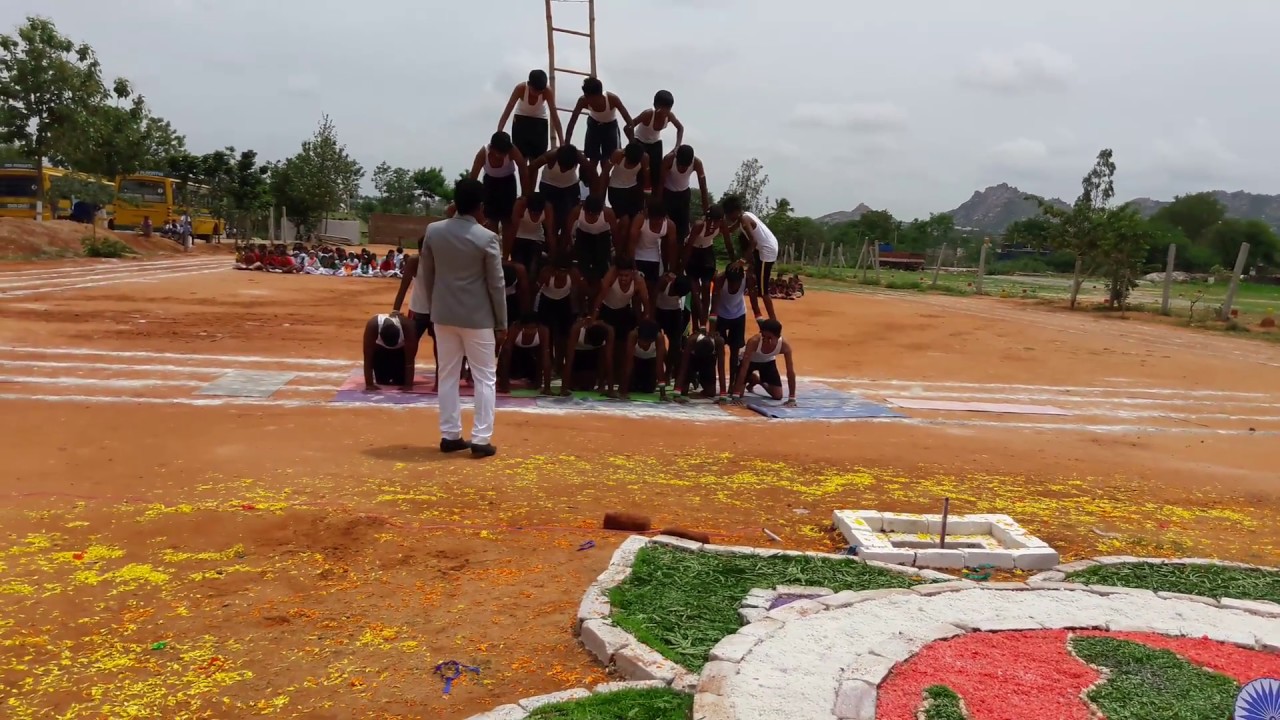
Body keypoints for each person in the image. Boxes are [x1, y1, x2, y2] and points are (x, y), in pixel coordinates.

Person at [419, 179, 508, 457]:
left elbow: (427, 276)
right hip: (478, 317)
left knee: (447, 375)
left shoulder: (433, 231)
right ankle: (481, 439)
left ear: (454, 204)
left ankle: (450, 435)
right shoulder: (487, 238)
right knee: (484, 378)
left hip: (443, 314)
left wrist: (432, 308)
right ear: (481, 207)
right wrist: (501, 323)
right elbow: (496, 285)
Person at [721, 194, 780, 321]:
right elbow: (730, 230)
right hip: (763, 248)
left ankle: (774, 322)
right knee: (754, 279)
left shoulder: (744, 219)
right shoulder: (743, 217)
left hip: (766, 251)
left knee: (763, 290)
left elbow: (752, 242)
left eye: (728, 215)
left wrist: (741, 262)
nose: (728, 218)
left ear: (735, 212)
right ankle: (762, 316)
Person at [593, 257, 649, 381]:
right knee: (605, 348)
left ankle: (619, 376)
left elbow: (646, 303)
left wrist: (646, 322)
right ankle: (602, 378)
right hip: (606, 310)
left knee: (622, 346)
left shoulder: (639, 280)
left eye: (626, 275)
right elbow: (599, 298)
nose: (623, 279)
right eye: (621, 275)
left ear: (632, 273)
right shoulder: (611, 276)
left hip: (623, 311)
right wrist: (593, 318)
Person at [565, 77, 635, 177]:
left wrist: (632, 143)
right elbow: (572, 122)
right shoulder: (583, 101)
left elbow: (629, 120)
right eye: (586, 96)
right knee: (593, 160)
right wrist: (566, 144)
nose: (587, 99)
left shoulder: (612, 99)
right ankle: (592, 187)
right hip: (593, 126)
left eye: (589, 97)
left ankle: (603, 186)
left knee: (606, 162)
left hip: (610, 127)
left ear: (598, 95)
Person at [529, 144, 594, 244]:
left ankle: (564, 248)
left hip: (570, 187)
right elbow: (531, 168)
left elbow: (593, 172)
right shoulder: (551, 155)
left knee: (567, 221)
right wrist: (528, 193)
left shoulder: (578, 157)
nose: (563, 171)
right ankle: (549, 246)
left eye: (567, 169)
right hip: (549, 185)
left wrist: (595, 197)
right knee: (550, 222)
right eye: (562, 167)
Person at [534, 252, 586, 375]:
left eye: (564, 271)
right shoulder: (546, 273)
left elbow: (581, 293)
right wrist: (532, 311)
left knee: (563, 336)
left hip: (563, 302)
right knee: (548, 335)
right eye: (559, 271)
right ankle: (548, 364)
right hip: (546, 302)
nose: (561, 274)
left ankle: (559, 364)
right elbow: (534, 291)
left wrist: (582, 311)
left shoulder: (574, 274)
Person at [469, 131, 529, 234]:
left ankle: (506, 251)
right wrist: (473, 199)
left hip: (508, 183)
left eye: (505, 153)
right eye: (500, 153)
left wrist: (524, 194)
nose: (502, 156)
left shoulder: (513, 150)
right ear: (492, 148)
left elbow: (523, 168)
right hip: (490, 183)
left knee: (508, 220)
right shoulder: (483, 153)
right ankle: (493, 246)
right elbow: (473, 177)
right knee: (492, 219)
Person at [497, 70, 563, 161]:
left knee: (535, 160)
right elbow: (507, 110)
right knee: (521, 158)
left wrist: (562, 142)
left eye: (540, 92)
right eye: (534, 91)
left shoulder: (547, 91)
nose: (537, 94)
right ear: (529, 84)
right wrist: (499, 132)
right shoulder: (520, 88)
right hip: (521, 120)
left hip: (539, 122)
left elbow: (555, 116)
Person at [626, 90, 684, 191]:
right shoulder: (648, 114)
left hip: (655, 142)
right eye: (662, 109)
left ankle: (652, 199)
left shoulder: (670, 116)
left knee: (656, 173)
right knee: (640, 171)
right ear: (656, 106)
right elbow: (628, 127)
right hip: (640, 140)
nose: (665, 112)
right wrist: (633, 144)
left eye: (668, 109)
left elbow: (680, 128)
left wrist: (677, 147)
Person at [730, 318, 796, 406]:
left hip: (767, 361)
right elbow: (744, 367)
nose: (765, 340)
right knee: (739, 394)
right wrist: (736, 394)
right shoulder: (753, 342)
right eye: (763, 336)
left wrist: (792, 398)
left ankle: (758, 380)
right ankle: (750, 378)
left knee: (778, 395)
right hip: (749, 362)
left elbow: (790, 372)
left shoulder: (785, 346)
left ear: (778, 337)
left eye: (769, 338)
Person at [657, 145, 709, 247]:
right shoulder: (669, 159)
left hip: (683, 196)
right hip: (668, 194)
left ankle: (679, 260)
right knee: (666, 231)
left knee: (683, 233)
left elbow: (703, 187)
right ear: (676, 158)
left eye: (686, 166)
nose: (683, 168)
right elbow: (660, 185)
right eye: (680, 165)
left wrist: (706, 212)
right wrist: (660, 208)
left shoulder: (697, 163)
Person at [567, 194, 617, 298]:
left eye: (594, 214)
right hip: (583, 239)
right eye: (589, 213)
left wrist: (617, 253)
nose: (591, 216)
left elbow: (616, 235)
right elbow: (567, 232)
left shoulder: (608, 213)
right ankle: (582, 303)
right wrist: (570, 246)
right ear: (584, 209)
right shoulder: (576, 211)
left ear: (600, 211)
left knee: (599, 274)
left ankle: (595, 301)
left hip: (602, 240)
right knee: (582, 273)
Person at [629, 196, 678, 298]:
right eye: (655, 219)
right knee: (637, 293)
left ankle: (649, 313)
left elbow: (672, 250)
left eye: (661, 219)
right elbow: (631, 245)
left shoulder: (670, 225)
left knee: (652, 292)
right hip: (637, 255)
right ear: (648, 215)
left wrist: (671, 270)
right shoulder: (640, 220)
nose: (658, 222)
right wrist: (634, 269)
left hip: (653, 257)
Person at [685, 204, 723, 327]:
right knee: (695, 293)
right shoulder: (699, 225)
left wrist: (734, 261)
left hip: (707, 253)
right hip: (693, 254)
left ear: (721, 221)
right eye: (709, 220)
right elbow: (689, 246)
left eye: (716, 221)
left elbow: (728, 242)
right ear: (705, 218)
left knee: (706, 288)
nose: (712, 224)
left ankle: (703, 323)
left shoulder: (722, 226)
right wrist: (681, 267)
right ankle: (696, 324)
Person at [497, 313, 553, 395]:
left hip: (531, 356)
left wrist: (547, 388)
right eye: (527, 328)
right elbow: (506, 355)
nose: (530, 331)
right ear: (521, 327)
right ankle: (502, 380)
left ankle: (536, 380)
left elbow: (546, 357)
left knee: (541, 356)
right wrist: (504, 383)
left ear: (538, 327)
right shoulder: (514, 329)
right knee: (505, 354)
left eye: (533, 328)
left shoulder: (543, 331)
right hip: (514, 356)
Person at [654, 273, 698, 374]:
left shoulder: (687, 287)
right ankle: (660, 366)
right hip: (658, 311)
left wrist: (700, 324)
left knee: (675, 344)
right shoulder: (664, 282)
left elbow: (696, 302)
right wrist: (651, 317)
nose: (674, 295)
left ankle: (668, 372)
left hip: (675, 312)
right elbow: (653, 298)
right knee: (656, 342)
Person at [712, 262, 749, 380]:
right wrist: (711, 329)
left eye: (736, 282)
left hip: (738, 314)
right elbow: (714, 305)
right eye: (731, 282)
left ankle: (732, 382)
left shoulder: (747, 279)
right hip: (721, 315)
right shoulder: (720, 280)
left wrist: (761, 321)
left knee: (735, 350)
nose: (733, 285)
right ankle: (713, 378)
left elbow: (754, 302)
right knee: (717, 349)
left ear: (741, 279)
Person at [362, 313, 418, 391]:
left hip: (399, 353)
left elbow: (410, 361)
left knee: (400, 381)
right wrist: (369, 384)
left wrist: (408, 385)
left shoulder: (408, 327)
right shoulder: (373, 325)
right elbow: (368, 357)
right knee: (382, 381)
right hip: (381, 352)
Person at [561, 317, 615, 396]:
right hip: (577, 352)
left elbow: (608, 360)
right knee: (575, 384)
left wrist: (611, 390)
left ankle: (601, 385)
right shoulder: (577, 329)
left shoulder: (609, 331)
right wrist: (564, 389)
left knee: (588, 385)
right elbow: (568, 360)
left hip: (594, 353)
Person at [507, 192, 555, 279]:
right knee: (519, 267)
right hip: (519, 237)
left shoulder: (548, 208)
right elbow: (512, 230)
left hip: (537, 238)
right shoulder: (520, 205)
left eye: (537, 213)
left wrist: (553, 257)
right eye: (532, 212)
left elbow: (550, 233)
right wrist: (506, 255)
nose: (535, 215)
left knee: (533, 268)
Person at [673, 327, 728, 402]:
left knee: (711, 392)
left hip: (708, 362)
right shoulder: (691, 341)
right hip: (692, 360)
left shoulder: (719, 341)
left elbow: (721, 369)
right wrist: (676, 394)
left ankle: (698, 377)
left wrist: (723, 397)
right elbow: (683, 367)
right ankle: (693, 376)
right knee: (683, 391)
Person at [619, 319, 667, 400]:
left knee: (648, 389)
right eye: (642, 342)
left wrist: (663, 394)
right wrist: (624, 391)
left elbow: (659, 366)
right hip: (636, 361)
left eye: (647, 343)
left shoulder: (659, 338)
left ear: (652, 340)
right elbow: (628, 364)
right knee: (630, 386)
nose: (643, 345)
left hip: (651, 362)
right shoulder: (633, 335)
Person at [604, 141, 648, 228]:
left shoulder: (645, 158)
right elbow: (604, 173)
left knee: (636, 221)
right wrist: (601, 198)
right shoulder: (618, 154)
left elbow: (647, 181)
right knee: (625, 221)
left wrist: (646, 204)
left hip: (633, 189)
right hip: (616, 189)